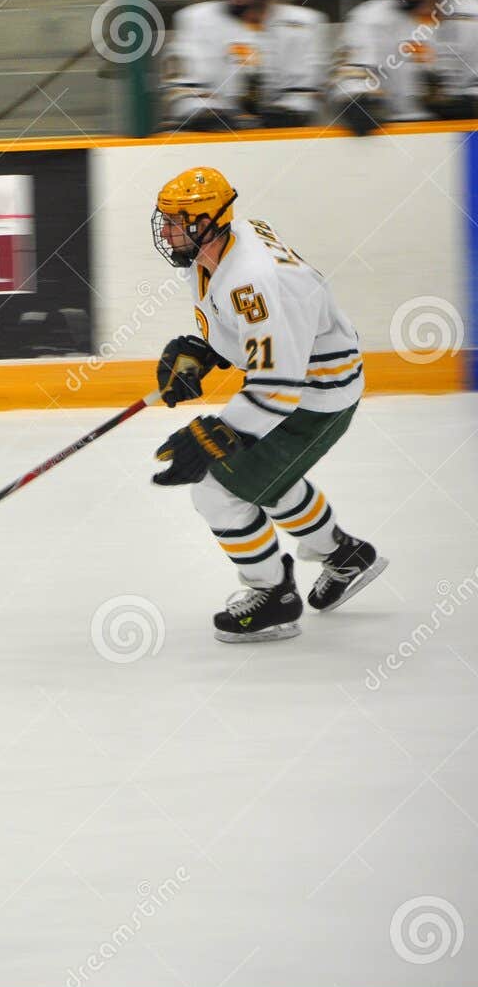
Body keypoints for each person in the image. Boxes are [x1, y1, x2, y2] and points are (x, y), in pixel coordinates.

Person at [149, 167, 387, 642]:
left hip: (316, 394)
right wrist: (210, 350)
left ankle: (274, 596)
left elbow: (280, 383)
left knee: (217, 492)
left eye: (179, 221)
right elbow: (274, 329)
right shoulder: (230, 241)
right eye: (166, 220)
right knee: (266, 479)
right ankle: (345, 556)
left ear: (210, 222)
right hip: (307, 380)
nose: (168, 231)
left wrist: (215, 433)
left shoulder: (250, 280)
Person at [160, 0, 328, 132]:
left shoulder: (303, 24)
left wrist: (289, 112)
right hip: (204, 138)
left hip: (279, 139)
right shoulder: (196, 19)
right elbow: (180, 88)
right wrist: (205, 114)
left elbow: (308, 91)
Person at [333, 0, 478, 131]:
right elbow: (352, 76)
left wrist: (468, 104)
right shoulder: (370, 17)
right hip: (394, 130)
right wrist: (360, 101)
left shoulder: (472, 16)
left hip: (459, 131)